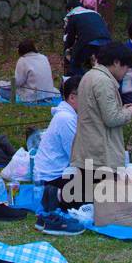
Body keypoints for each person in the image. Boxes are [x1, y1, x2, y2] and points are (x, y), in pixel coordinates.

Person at [69, 42, 132, 200]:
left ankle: (62, 200)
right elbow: (111, 119)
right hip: (100, 152)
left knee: (85, 194)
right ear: (116, 62)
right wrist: (129, 112)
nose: (126, 72)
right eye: (126, 68)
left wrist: (121, 108)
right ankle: (59, 198)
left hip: (87, 147)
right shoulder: (104, 82)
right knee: (99, 198)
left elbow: (97, 111)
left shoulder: (89, 76)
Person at [33, 77, 81, 212]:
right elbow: (76, 157)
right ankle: (55, 195)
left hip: (56, 173)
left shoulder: (68, 115)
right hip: (51, 178)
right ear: (72, 98)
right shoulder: (66, 119)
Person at [63, 0, 111, 72]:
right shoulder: (95, 13)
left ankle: (75, 79)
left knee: (75, 62)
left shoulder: (73, 15)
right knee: (103, 66)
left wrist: (66, 50)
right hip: (107, 42)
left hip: (89, 42)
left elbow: (70, 38)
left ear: (71, 8)